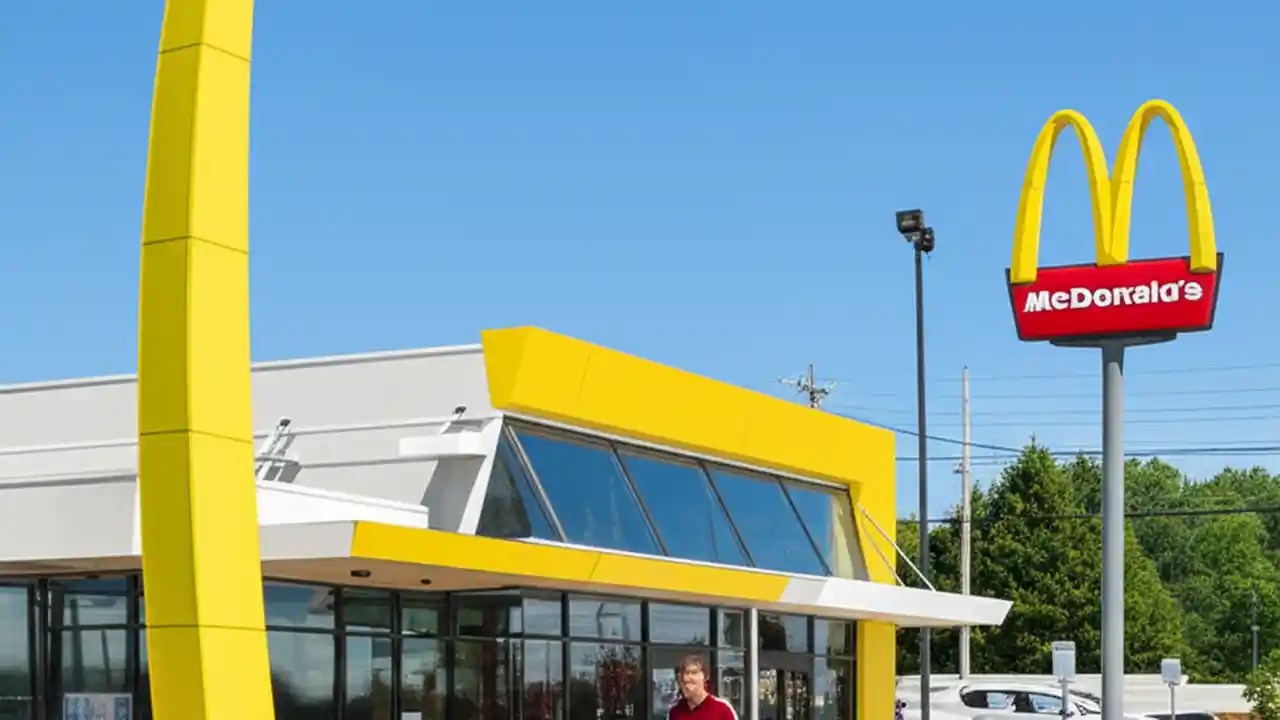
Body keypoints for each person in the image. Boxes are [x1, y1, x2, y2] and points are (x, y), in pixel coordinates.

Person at [667, 653, 738, 720]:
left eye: (693, 673)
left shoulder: (722, 709)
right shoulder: (675, 712)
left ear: (706, 677)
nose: (687, 678)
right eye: (684, 683)